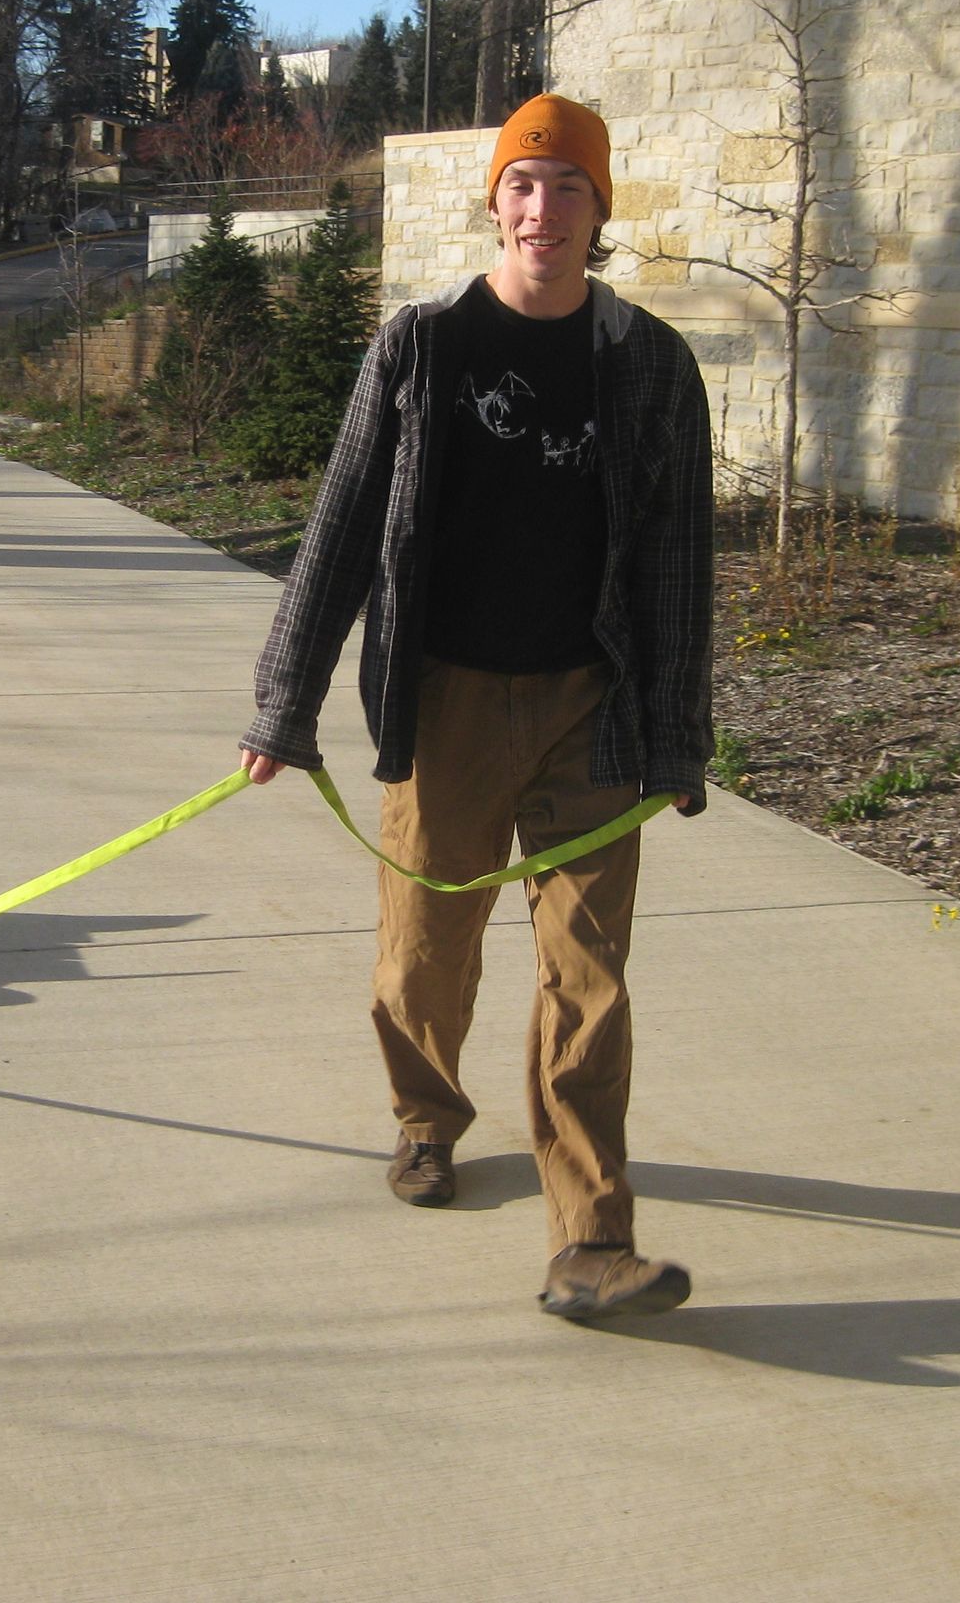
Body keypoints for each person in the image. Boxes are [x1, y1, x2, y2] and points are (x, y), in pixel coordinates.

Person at [237, 93, 715, 1321]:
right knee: (424, 951)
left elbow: (677, 565)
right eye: (524, 185)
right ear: (495, 202)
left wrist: (675, 735)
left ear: (599, 212)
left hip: (589, 708)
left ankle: (591, 1239)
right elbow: (342, 529)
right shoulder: (422, 347)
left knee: (589, 977)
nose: (543, 209)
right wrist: (282, 707)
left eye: (569, 190)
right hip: (444, 695)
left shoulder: (651, 365)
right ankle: (426, 1117)